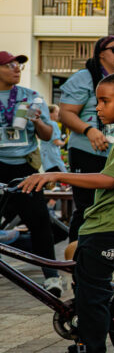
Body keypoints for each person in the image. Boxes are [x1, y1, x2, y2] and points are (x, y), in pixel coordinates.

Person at [22, 72, 114, 353]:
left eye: (105, 101)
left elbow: (110, 180)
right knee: (83, 291)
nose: (97, 107)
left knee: (92, 297)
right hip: (101, 223)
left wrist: (59, 174)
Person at [0, 51, 62, 295]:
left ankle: (52, 277)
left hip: (25, 168)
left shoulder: (31, 97)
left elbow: (47, 135)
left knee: (40, 222)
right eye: (11, 65)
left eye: (19, 66)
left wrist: (37, 122)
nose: (17, 69)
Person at [58, 35, 114, 240]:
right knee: (87, 208)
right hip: (87, 150)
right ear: (100, 54)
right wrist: (89, 130)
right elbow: (66, 113)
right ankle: (75, 262)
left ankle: (107, 260)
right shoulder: (84, 77)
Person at [40, 105, 67, 174]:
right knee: (64, 176)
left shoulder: (43, 124)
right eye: (56, 112)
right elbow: (56, 142)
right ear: (50, 113)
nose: (58, 114)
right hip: (53, 157)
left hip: (45, 157)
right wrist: (65, 142)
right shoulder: (53, 124)